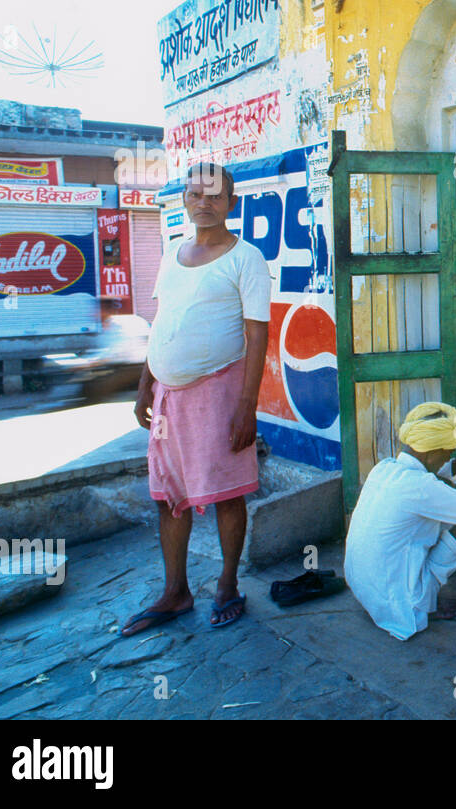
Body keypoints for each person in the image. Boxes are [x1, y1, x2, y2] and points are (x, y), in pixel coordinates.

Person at [121, 162, 272, 635]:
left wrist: (247, 406)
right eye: (193, 195)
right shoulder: (171, 254)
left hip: (218, 393)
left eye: (213, 196)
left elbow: (257, 335)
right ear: (184, 200)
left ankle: (227, 586)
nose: (202, 203)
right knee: (167, 497)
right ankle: (176, 592)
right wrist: (146, 383)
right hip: (167, 396)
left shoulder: (245, 258)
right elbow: (163, 321)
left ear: (231, 203)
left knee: (227, 494)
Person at [344, 402, 456, 641]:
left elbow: (429, 486)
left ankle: (421, 592)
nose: (447, 457)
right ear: (429, 452)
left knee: (449, 501)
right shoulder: (421, 486)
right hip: (400, 606)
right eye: (446, 452)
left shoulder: (385, 468)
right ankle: (426, 603)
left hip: (365, 590)